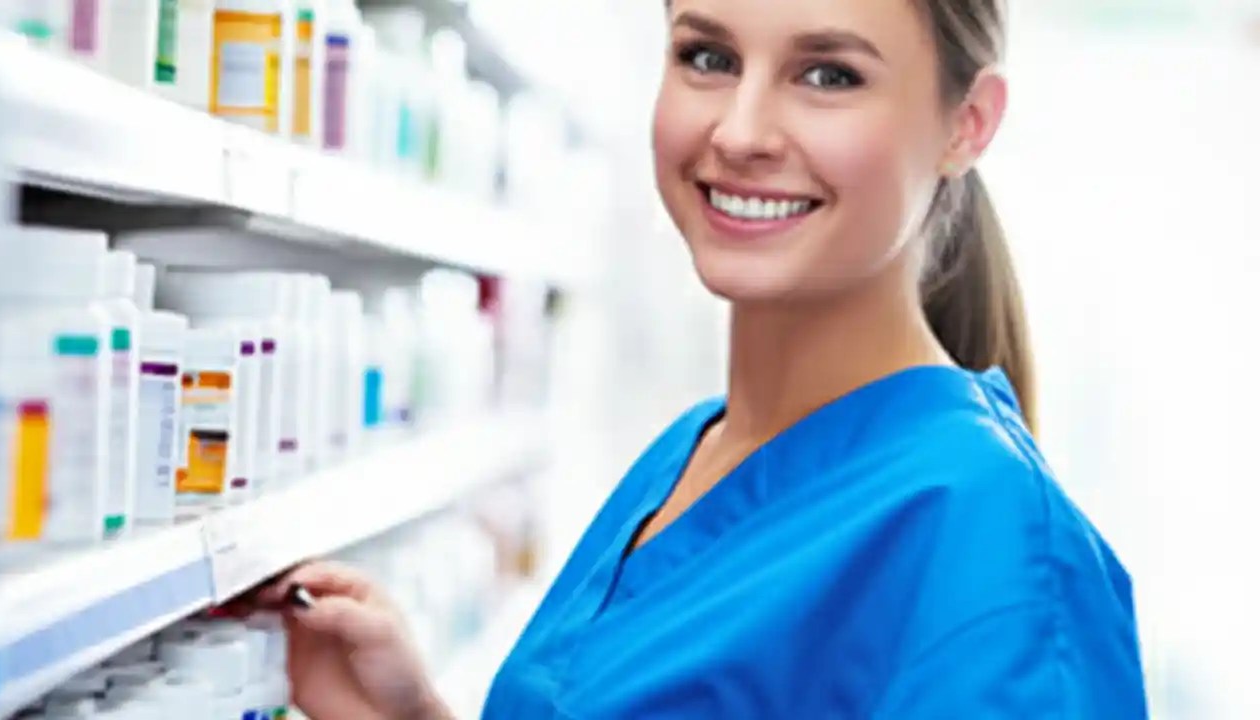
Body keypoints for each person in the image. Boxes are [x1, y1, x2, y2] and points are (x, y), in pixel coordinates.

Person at [252, 0, 1148, 716]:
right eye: (708, 58)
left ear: (968, 124)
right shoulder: (695, 450)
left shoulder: (994, 546)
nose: (741, 131)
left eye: (828, 74)